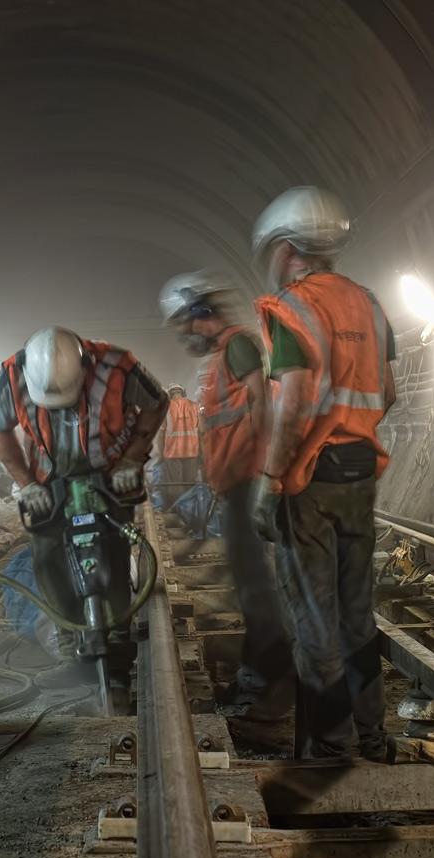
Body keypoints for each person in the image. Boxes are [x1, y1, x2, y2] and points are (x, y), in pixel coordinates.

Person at [251, 185, 397, 759]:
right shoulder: (371, 305)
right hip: (360, 475)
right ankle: (373, 736)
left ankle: (332, 748)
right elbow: (387, 392)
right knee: (357, 616)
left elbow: (292, 405)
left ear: (287, 249)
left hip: (310, 480)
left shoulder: (292, 307)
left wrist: (270, 482)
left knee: (314, 620)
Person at [0, 326, 168, 705]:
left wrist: (132, 459)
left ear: (85, 366)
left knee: (113, 558)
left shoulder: (118, 366)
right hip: (49, 481)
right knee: (47, 558)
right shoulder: (14, 375)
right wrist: (26, 484)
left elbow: (158, 402)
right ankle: (72, 651)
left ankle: (116, 658)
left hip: (111, 476)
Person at [159, 271, 293, 719]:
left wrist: (265, 477)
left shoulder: (237, 345)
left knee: (256, 586)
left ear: (200, 311)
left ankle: (275, 682)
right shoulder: (223, 356)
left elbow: (262, 408)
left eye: (186, 323)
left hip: (250, 482)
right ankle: (254, 677)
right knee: (248, 584)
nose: (186, 335)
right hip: (236, 485)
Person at [155, 383, 200, 508]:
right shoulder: (195, 406)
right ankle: (190, 510)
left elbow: (161, 434)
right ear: (182, 392)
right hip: (192, 451)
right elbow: (201, 431)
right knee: (190, 483)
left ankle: (177, 510)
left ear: (170, 394)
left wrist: (160, 455)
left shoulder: (166, 408)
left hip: (172, 452)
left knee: (175, 484)